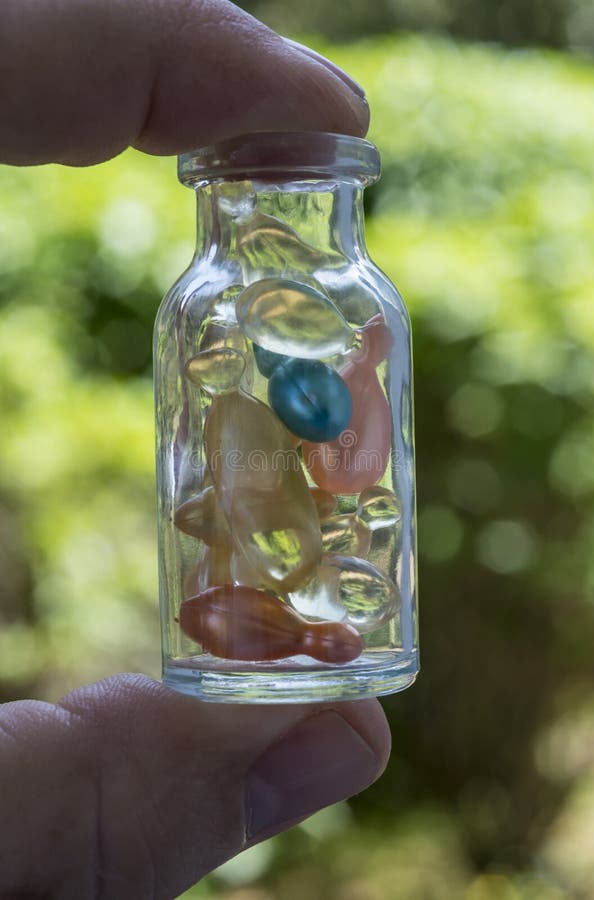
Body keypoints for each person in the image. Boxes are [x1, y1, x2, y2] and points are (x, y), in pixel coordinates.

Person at [0, 1, 391, 897]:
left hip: (314, 580)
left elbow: (339, 462)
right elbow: (219, 489)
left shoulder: (362, 302)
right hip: (267, 582)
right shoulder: (202, 304)